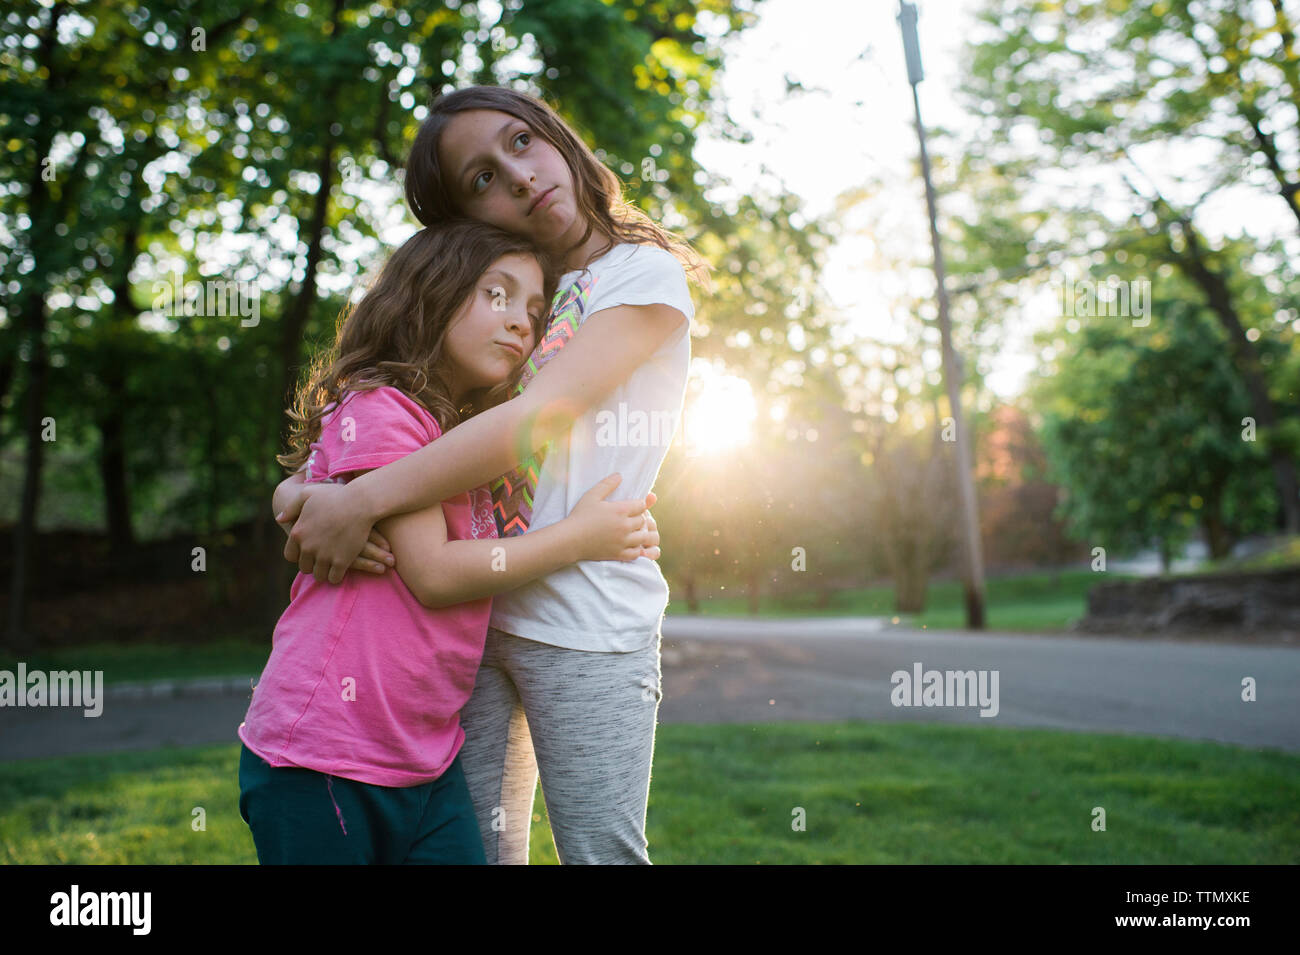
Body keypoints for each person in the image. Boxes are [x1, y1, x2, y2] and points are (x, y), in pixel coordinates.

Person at [274, 84, 711, 864]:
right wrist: (304, 494)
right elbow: (395, 411)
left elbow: (531, 421)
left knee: (600, 851)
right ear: (464, 220)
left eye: (519, 141)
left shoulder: (639, 278)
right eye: (480, 178)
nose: (517, 176)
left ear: (553, 133)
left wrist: (366, 499)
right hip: (464, 625)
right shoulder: (498, 300)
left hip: (587, 624)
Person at [241, 219, 661, 865]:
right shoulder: (382, 407)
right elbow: (434, 573)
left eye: (534, 309)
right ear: (429, 294)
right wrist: (577, 537)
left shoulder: (452, 440)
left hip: (424, 761)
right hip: (325, 753)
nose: (522, 322)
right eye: (498, 295)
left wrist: (291, 495)